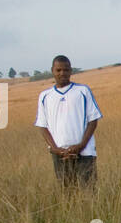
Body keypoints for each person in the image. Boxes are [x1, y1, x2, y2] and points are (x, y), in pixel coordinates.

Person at [35, 55, 102, 188]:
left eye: (66, 70)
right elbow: (42, 126)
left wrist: (81, 146)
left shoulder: (83, 91)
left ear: (71, 71)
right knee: (67, 194)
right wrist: (55, 149)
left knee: (88, 192)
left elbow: (93, 121)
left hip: (85, 152)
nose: (62, 73)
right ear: (52, 71)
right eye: (58, 70)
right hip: (60, 155)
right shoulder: (45, 96)